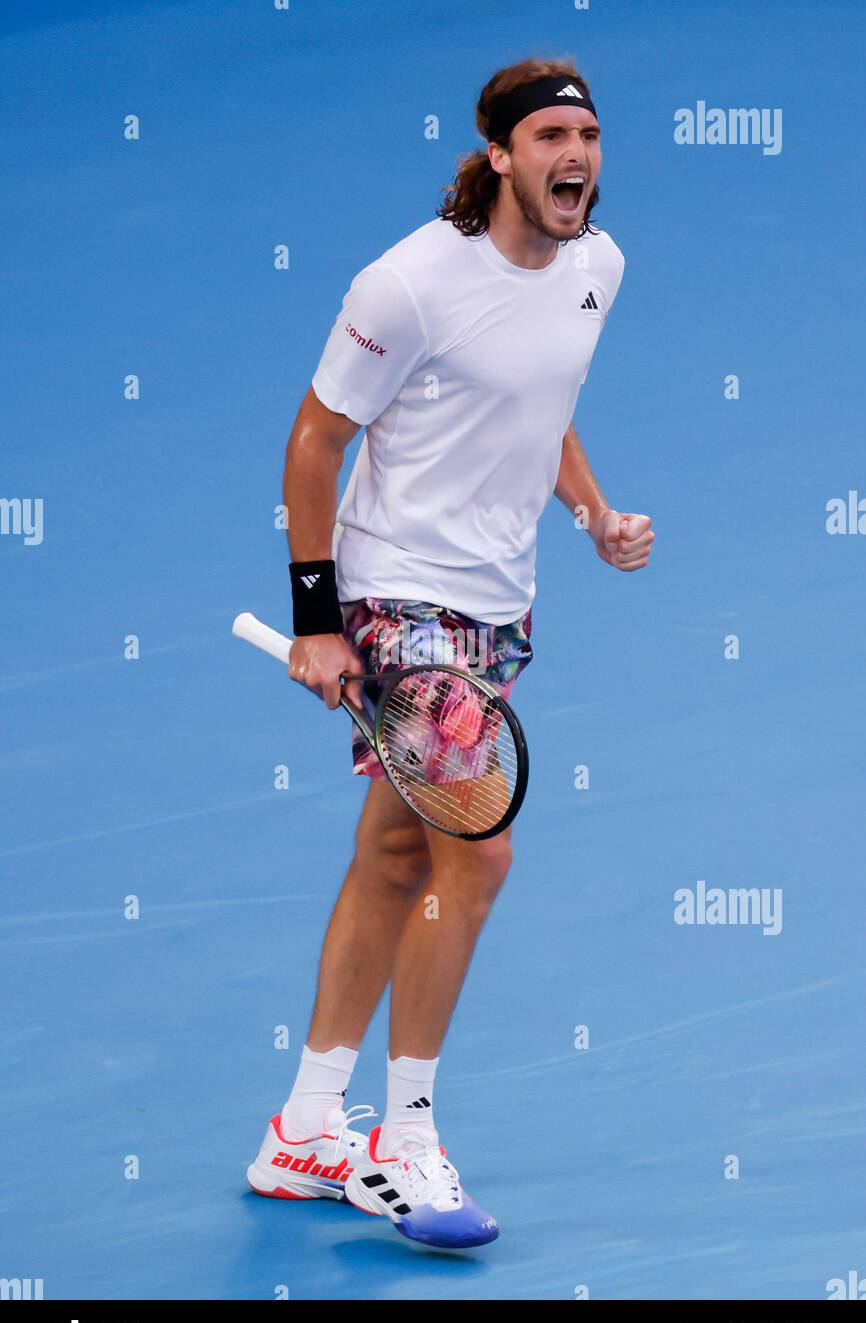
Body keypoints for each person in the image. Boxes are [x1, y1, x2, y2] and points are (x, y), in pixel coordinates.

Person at [246, 55, 655, 1249]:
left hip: (494, 611)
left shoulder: (596, 268)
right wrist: (319, 618)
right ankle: (406, 1141)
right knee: (474, 861)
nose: (572, 154)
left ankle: (304, 1126)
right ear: (498, 158)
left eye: (584, 132)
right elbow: (316, 440)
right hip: (396, 604)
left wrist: (589, 511)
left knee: (392, 859)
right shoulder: (410, 283)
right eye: (546, 137)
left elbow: (539, 399)